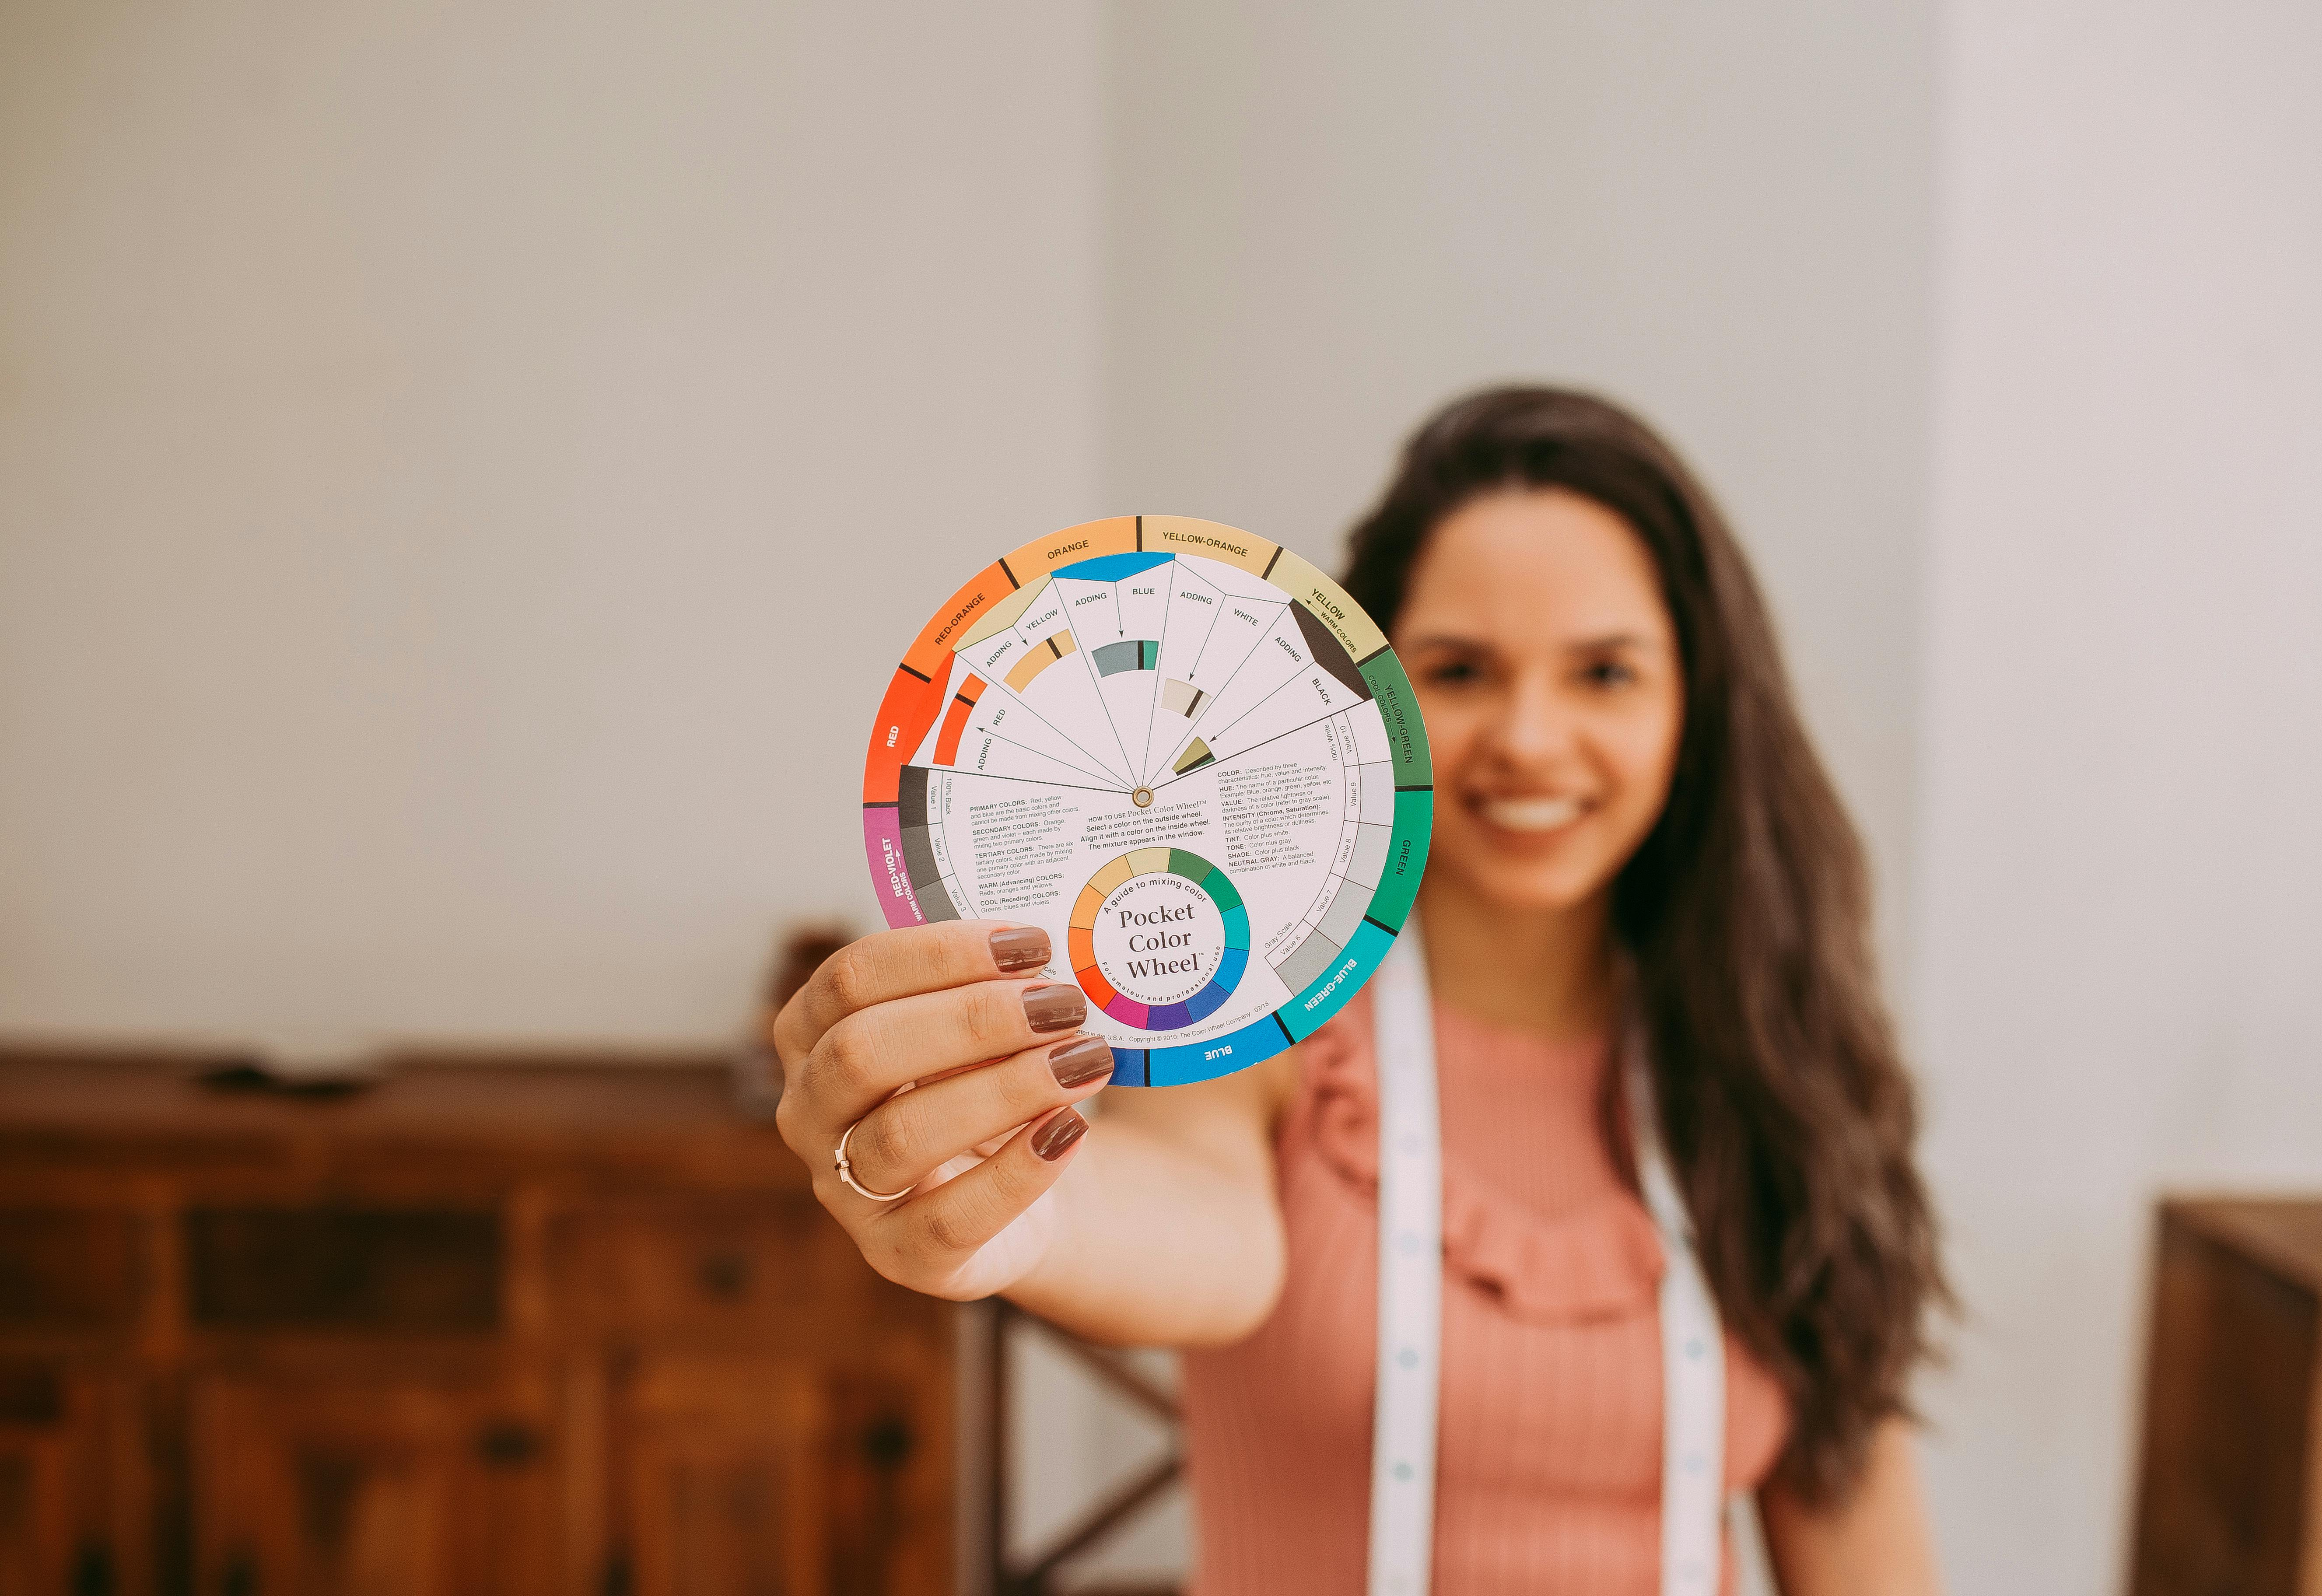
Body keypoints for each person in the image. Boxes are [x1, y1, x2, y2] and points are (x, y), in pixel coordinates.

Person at [774, 386, 1947, 1594]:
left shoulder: (1776, 1076)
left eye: (1605, 673)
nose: (1530, 738)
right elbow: (1201, 1223)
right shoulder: (1269, 1014)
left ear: (1697, 706)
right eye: (1461, 670)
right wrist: (1015, 1214)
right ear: (1365, 705)